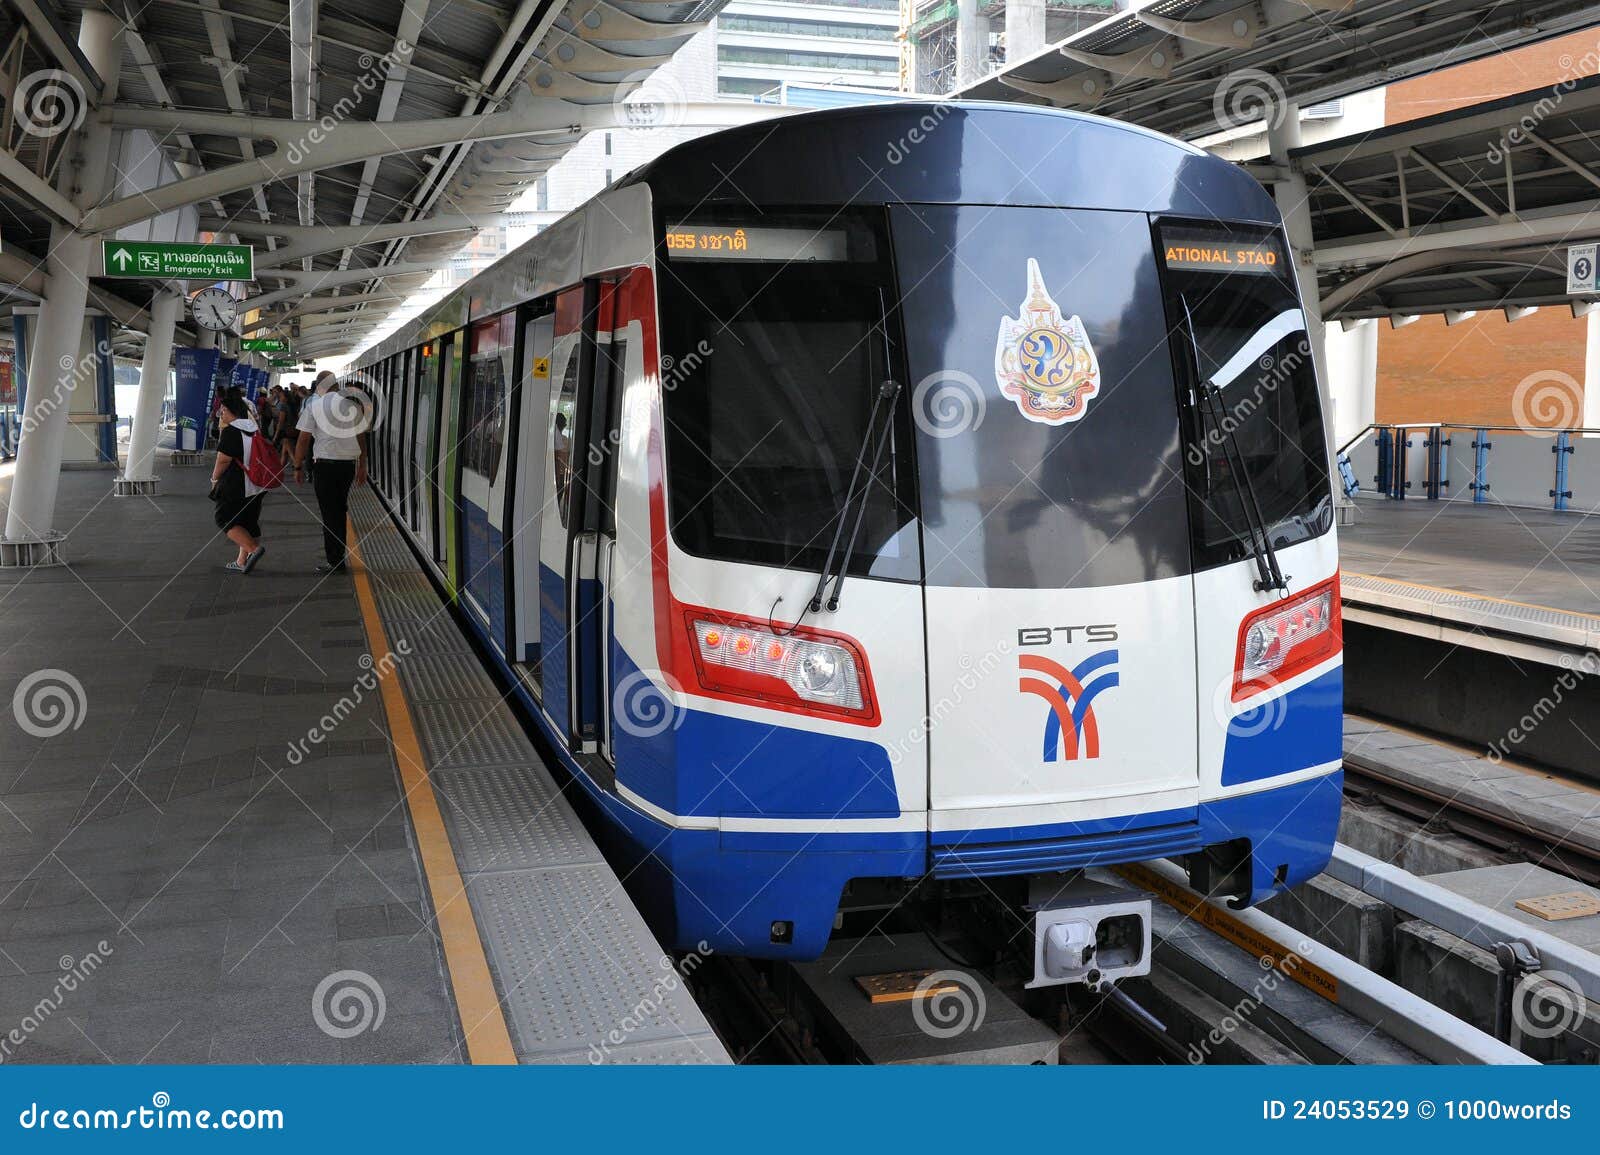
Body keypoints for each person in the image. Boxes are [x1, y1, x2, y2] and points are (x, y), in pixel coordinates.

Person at [293, 371, 369, 574]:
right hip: (347, 467)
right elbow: (361, 437)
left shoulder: (314, 407)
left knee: (330, 514)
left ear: (320, 387)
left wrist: (298, 466)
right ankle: (337, 557)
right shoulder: (352, 406)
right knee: (339, 510)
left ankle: (335, 561)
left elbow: (303, 439)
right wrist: (362, 465)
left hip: (325, 467)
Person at [210, 394, 268, 574]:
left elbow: (223, 460)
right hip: (258, 483)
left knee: (224, 518)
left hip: (237, 483)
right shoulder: (254, 427)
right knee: (248, 521)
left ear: (233, 411)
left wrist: (214, 480)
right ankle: (242, 561)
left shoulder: (231, 430)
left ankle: (253, 549)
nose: (221, 414)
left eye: (224, 410)